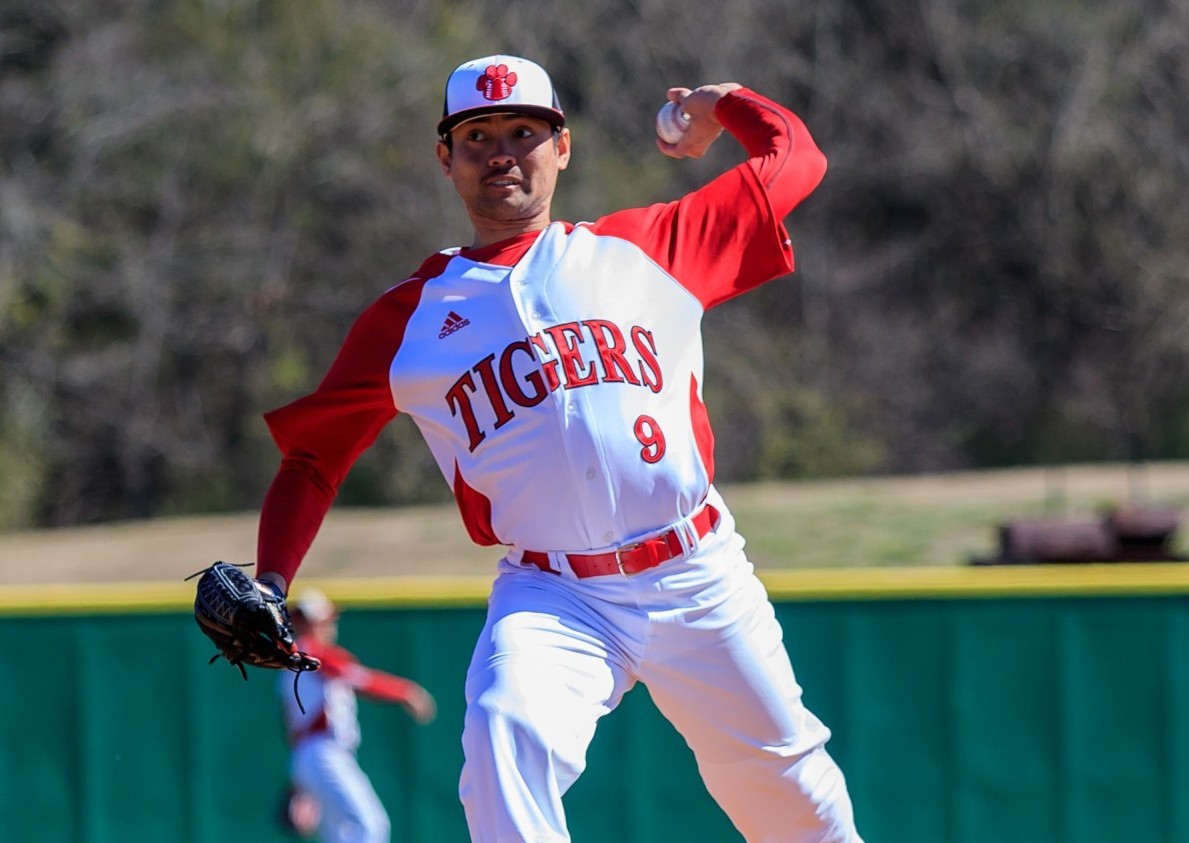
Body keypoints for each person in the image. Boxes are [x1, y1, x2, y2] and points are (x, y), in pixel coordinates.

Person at [253, 53, 862, 842]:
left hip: (697, 574)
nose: (501, 152)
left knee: (791, 793)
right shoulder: (405, 320)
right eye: (476, 137)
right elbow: (312, 458)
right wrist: (271, 577)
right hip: (556, 593)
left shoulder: (648, 247)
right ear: (445, 159)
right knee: (504, 735)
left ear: (562, 146)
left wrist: (725, 101)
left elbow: (796, 159)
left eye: (522, 131)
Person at [279, 589, 436, 843]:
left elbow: (292, 727)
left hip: (308, 755)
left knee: (340, 834)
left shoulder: (288, 664)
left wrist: (297, 778)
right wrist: (405, 692)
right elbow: (360, 679)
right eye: (325, 620)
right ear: (304, 623)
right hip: (326, 754)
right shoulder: (314, 654)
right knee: (370, 826)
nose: (330, 626)